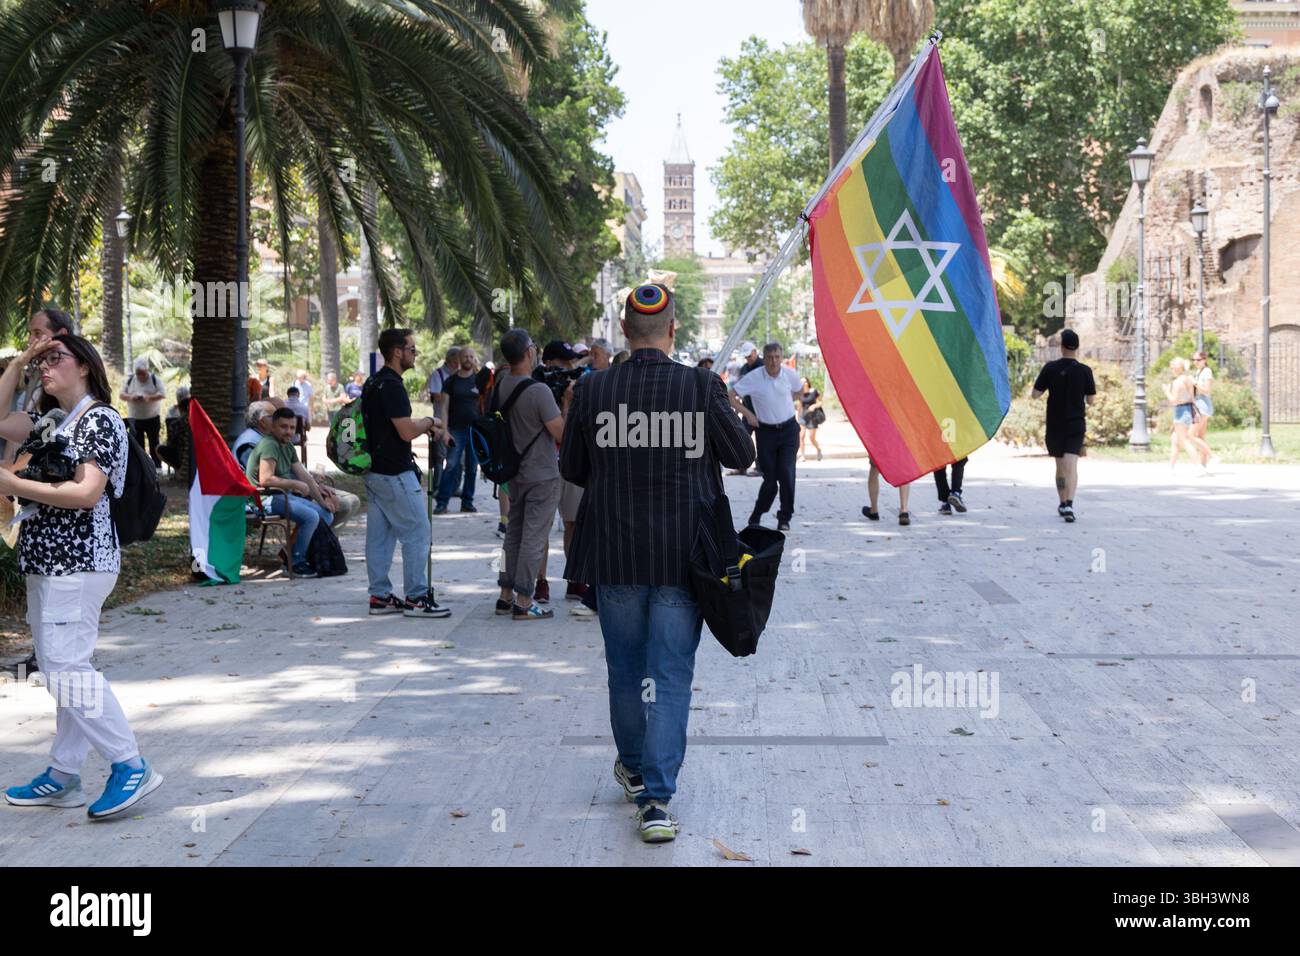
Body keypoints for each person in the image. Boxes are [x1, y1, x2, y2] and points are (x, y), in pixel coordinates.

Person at [561, 282, 754, 843]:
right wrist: (721, 402)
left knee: (625, 671)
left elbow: (574, 468)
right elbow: (743, 455)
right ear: (673, 330)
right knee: (669, 676)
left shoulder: (594, 389)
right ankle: (656, 801)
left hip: (615, 555)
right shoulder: (700, 386)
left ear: (624, 331)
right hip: (682, 556)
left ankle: (635, 768)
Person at [0, 334, 164, 819]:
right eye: (41, 360)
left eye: (55, 358)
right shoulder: (50, 421)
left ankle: (130, 765)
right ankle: (64, 774)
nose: (45, 367)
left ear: (86, 367)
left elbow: (88, 492)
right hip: (46, 563)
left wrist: (11, 482)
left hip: (78, 562)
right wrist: (23, 360)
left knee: (66, 670)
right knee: (64, 669)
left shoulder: (99, 419)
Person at [362, 328, 451, 618]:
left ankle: (380, 596)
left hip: (375, 471)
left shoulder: (373, 383)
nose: (415, 354)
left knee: (380, 537)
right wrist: (430, 421)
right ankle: (416, 598)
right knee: (417, 531)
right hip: (394, 474)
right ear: (397, 352)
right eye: (412, 349)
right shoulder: (393, 386)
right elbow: (405, 431)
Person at [492, 329, 567, 620]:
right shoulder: (538, 391)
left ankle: (505, 594)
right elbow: (559, 431)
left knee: (513, 534)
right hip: (542, 474)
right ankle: (524, 601)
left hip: (515, 472)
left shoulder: (500, 385)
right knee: (533, 539)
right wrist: (568, 406)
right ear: (528, 353)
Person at [245, 407, 341, 577]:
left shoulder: (287, 446)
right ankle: (296, 563)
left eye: (291, 427)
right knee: (311, 517)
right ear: (273, 427)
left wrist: (322, 501)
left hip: (281, 495)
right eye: (283, 427)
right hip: (263, 498)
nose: (288, 431)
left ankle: (290, 553)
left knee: (326, 515)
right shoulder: (269, 444)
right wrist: (295, 484)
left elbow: (306, 477)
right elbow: (265, 479)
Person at [729, 342, 802, 530]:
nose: (774, 361)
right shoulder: (754, 377)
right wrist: (748, 414)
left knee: (786, 473)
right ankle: (756, 515)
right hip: (766, 432)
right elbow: (730, 395)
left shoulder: (789, 374)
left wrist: (786, 400)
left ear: (782, 357)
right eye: (770, 357)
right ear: (765, 358)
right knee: (770, 480)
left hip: (788, 430)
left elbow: (799, 390)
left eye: (777, 357)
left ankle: (784, 518)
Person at [1031, 328, 1096, 523]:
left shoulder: (1050, 368)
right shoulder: (1085, 371)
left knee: (1060, 466)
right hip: (1076, 423)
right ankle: (1068, 503)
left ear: (1061, 347)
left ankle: (1063, 503)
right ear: (1077, 348)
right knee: (1071, 464)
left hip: (1055, 423)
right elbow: (1092, 400)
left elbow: (1035, 394)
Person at [433, 345, 480, 514]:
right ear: (459, 359)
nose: (468, 359)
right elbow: (444, 408)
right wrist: (445, 431)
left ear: (474, 359)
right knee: (451, 465)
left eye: (471, 356)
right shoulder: (451, 381)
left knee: (472, 467)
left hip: (475, 431)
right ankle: (442, 502)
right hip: (456, 430)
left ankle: (467, 502)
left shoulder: (479, 380)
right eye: (465, 356)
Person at [1163, 357, 1212, 475]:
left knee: (1185, 441)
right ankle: (1171, 467)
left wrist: (1166, 391)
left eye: (1172, 367)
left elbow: (1174, 400)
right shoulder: (1188, 380)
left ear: (1177, 368)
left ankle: (1198, 467)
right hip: (1189, 410)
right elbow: (1192, 396)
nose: (1171, 369)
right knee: (1175, 440)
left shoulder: (1177, 382)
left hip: (1180, 411)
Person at [119, 357, 165, 467]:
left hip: (152, 417)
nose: (140, 376)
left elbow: (162, 394)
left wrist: (148, 398)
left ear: (147, 371)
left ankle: (157, 466)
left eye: (143, 373)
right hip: (135, 419)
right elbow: (121, 395)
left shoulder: (155, 379)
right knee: (138, 445)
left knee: (154, 443)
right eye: (138, 373)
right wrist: (131, 397)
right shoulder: (130, 380)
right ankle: (140, 467)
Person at [157, 387, 192, 477]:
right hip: (191, 457)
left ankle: (180, 471)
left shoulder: (175, 422)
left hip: (180, 457)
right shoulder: (193, 419)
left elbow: (171, 441)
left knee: (159, 449)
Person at [234, 401, 275, 469]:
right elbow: (261, 474)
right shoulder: (249, 443)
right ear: (262, 422)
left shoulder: (261, 438)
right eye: (274, 417)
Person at [1192, 351, 1217, 462]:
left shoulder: (1207, 371)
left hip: (1203, 405)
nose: (1195, 362)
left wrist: (1195, 383)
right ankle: (1203, 465)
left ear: (1204, 360)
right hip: (1199, 404)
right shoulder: (1198, 371)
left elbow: (1206, 390)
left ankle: (1212, 456)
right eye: (1194, 360)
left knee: (1191, 435)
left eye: (1198, 360)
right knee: (1200, 436)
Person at [797, 376, 823, 462]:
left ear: (808, 382)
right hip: (803, 417)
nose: (803, 383)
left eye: (804, 382)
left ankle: (818, 449)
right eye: (801, 382)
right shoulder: (800, 394)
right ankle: (802, 455)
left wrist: (814, 406)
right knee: (801, 436)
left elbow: (820, 402)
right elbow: (799, 406)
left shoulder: (814, 392)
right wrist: (797, 417)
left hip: (812, 417)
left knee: (811, 438)